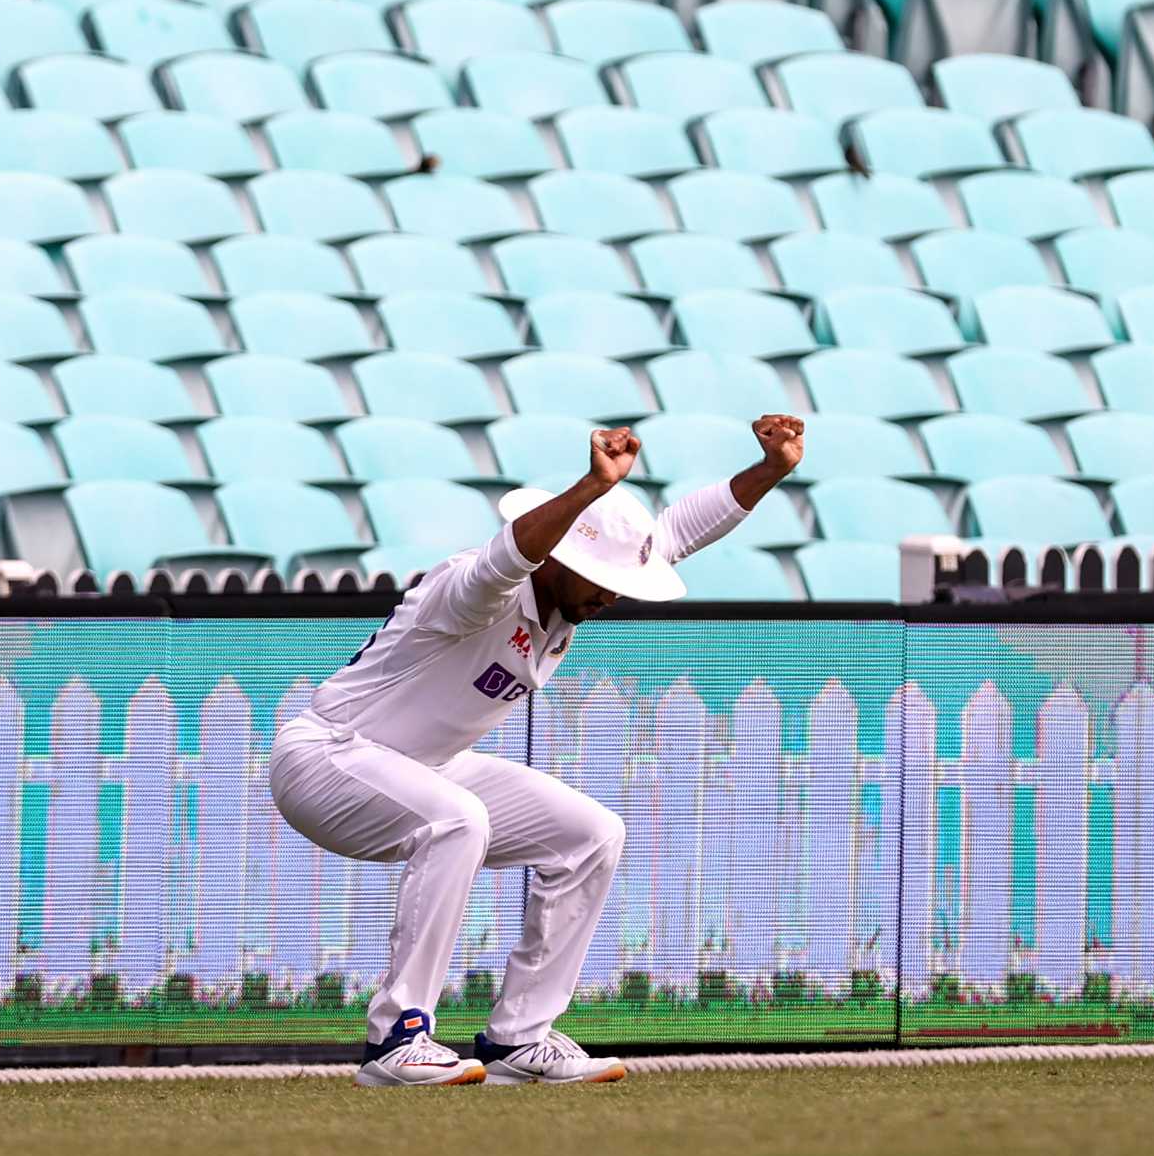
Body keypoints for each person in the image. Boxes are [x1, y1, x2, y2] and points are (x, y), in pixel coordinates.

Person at [268, 415, 805, 1087]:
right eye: (598, 576)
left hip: (420, 768)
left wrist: (771, 471)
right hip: (326, 760)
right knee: (458, 818)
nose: (611, 593)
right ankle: (396, 1040)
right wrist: (590, 486)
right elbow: (506, 556)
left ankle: (518, 1040)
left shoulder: (570, 601)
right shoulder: (473, 592)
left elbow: (675, 533)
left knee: (593, 834)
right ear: (556, 559)